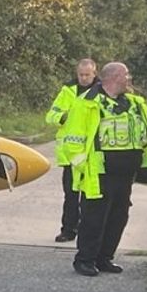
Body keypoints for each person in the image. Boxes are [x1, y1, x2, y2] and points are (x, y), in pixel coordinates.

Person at [66, 61, 147, 277]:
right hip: (98, 173)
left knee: (118, 216)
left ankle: (104, 258)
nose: (129, 79)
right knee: (94, 217)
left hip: (126, 174)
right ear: (113, 78)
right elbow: (72, 142)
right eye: (125, 75)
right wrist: (83, 167)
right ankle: (85, 259)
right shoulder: (87, 104)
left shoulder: (134, 103)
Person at [44, 57, 100, 242]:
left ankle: (87, 231)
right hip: (70, 155)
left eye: (87, 74)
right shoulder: (68, 91)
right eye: (81, 74)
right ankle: (68, 230)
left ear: (94, 73)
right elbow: (51, 115)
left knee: (90, 196)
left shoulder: (101, 92)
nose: (84, 78)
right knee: (71, 195)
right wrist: (61, 117)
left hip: (92, 154)